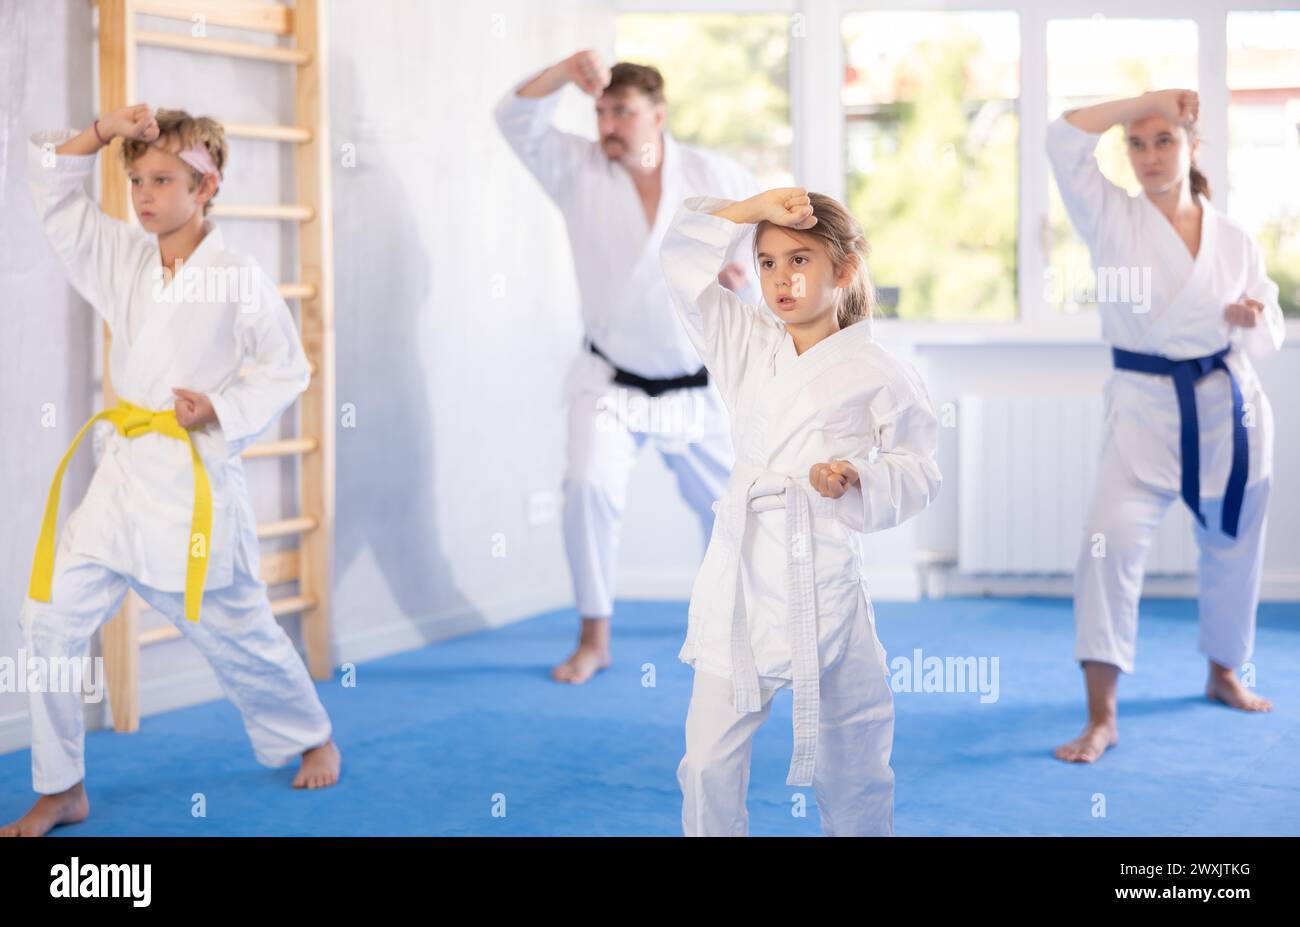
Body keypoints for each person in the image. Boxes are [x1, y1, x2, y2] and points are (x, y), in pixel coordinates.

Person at [3, 105, 340, 838]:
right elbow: (56, 191)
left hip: (192, 491)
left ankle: (312, 732)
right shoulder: (123, 255)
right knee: (49, 619)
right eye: (135, 179)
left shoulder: (238, 276)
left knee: (241, 635)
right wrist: (101, 131)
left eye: (162, 179)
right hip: (122, 478)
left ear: (206, 185)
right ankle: (61, 786)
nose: (144, 194)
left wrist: (216, 407)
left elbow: (288, 368)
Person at [660, 187, 941, 835]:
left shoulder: (881, 370)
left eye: (800, 260)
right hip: (743, 576)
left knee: (855, 752)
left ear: (843, 270)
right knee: (704, 759)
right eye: (766, 262)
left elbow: (920, 470)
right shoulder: (745, 340)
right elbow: (679, 266)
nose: (780, 279)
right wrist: (748, 207)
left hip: (826, 572)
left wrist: (858, 478)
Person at [495, 50, 762, 684]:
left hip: (697, 386)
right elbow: (512, 118)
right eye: (600, 111)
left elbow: (764, 254)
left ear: (658, 114)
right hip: (609, 380)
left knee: (736, 509)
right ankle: (594, 638)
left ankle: (731, 626)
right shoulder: (577, 169)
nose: (607, 124)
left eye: (622, 111)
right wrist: (563, 72)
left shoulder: (712, 172)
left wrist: (743, 282)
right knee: (587, 487)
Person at [1048, 89, 1285, 764]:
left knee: (1233, 543)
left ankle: (1224, 671)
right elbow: (1059, 138)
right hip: (1143, 408)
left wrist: (1251, 317)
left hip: (1228, 408)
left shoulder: (1233, 237)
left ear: (1193, 146)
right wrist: (1144, 101)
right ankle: (1102, 715)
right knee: (1107, 544)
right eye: (1137, 142)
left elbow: (1269, 322)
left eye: (1165, 140)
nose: (1150, 156)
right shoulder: (1108, 215)